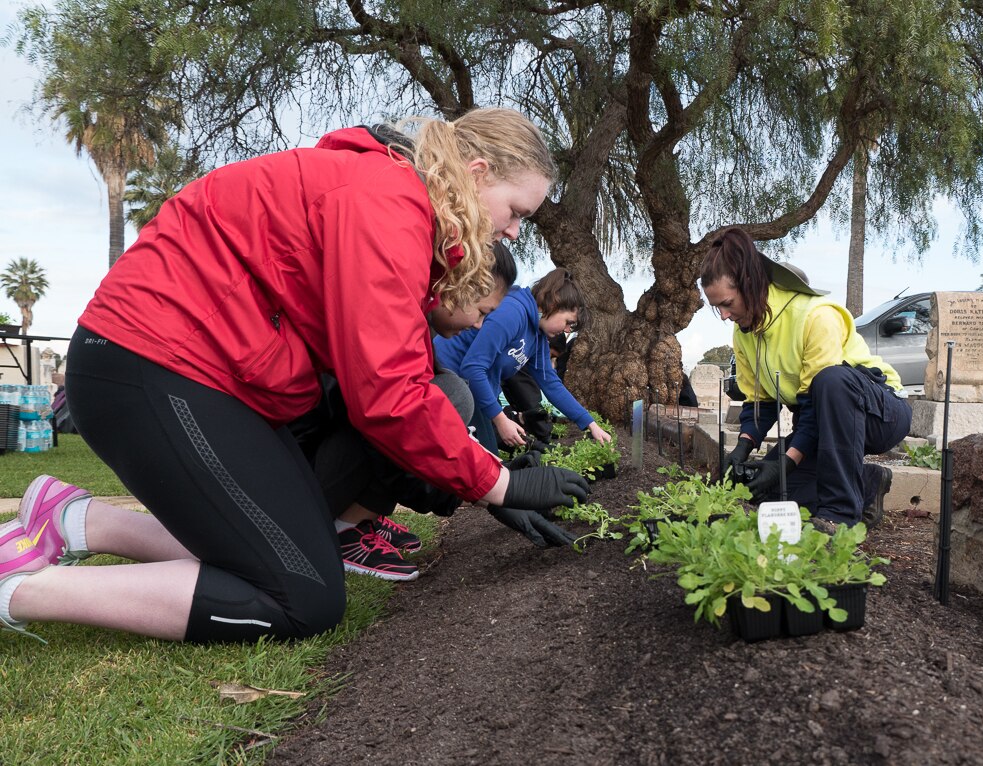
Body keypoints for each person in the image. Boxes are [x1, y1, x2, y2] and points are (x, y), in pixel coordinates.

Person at [0, 108, 590, 644]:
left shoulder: (395, 198)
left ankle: (73, 519)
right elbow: (387, 393)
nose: (514, 232)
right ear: (478, 172)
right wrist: (499, 486)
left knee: (291, 543)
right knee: (301, 595)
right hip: (154, 360)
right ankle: (20, 586)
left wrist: (480, 480)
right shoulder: (389, 201)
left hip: (203, 368)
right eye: (517, 212)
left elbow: (406, 370)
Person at [292, 241, 575, 582]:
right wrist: (496, 490)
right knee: (449, 397)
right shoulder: (396, 315)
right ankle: (343, 529)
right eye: (482, 311)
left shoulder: (415, 322)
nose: (479, 326)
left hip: (311, 461)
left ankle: (361, 516)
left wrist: (488, 478)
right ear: (457, 284)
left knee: (441, 401)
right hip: (296, 482)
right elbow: (400, 422)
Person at [701, 227, 906, 532]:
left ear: (750, 284)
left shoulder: (815, 316)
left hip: (878, 412)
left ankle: (840, 515)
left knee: (831, 380)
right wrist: (742, 448)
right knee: (768, 495)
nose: (724, 316)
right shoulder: (744, 333)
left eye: (727, 303)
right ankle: (866, 484)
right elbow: (761, 402)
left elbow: (821, 399)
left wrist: (787, 461)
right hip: (824, 424)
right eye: (716, 307)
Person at [434, 267, 613, 456]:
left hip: (474, 392)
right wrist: (501, 419)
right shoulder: (512, 312)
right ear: (554, 303)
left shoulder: (537, 336)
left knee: (488, 459)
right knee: (477, 459)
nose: (568, 330)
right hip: (450, 387)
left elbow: (551, 383)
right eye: (568, 322)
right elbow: (473, 368)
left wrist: (590, 424)